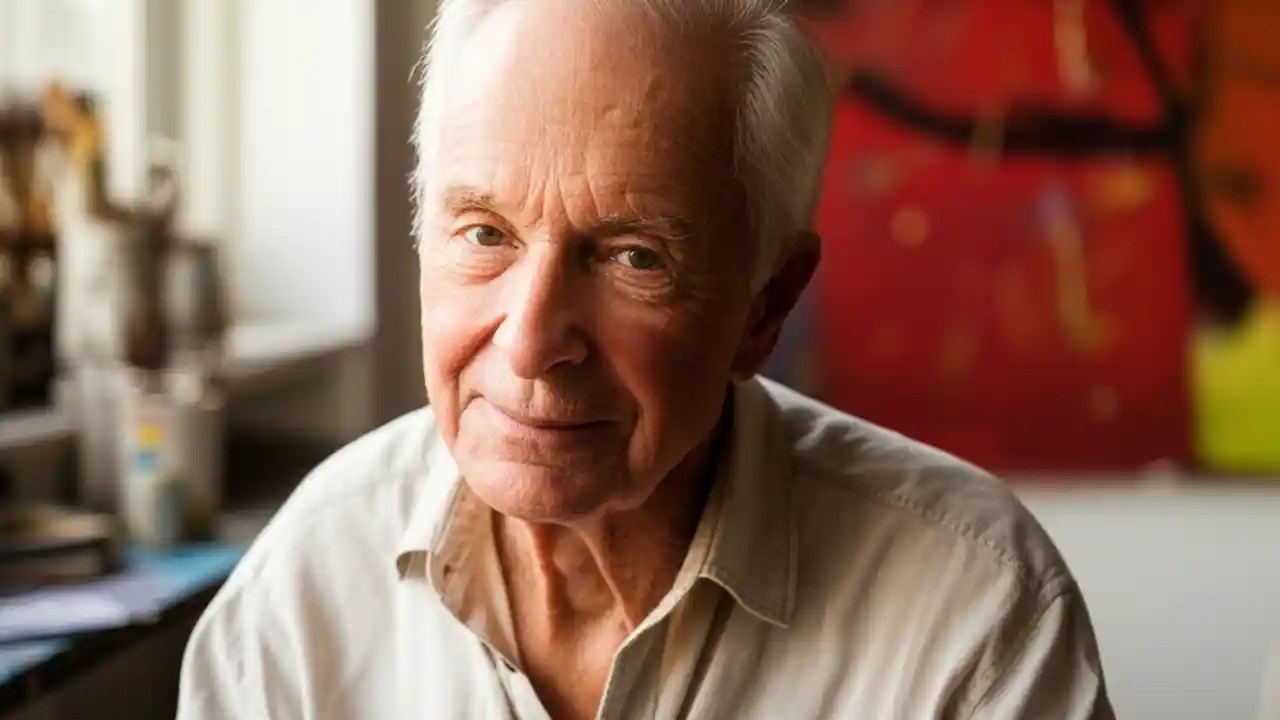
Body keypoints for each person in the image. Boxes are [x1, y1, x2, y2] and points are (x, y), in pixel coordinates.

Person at [178, 1, 1113, 717]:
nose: (531, 341)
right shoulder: (303, 592)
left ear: (766, 307)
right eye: (485, 233)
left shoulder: (975, 612)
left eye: (634, 258)